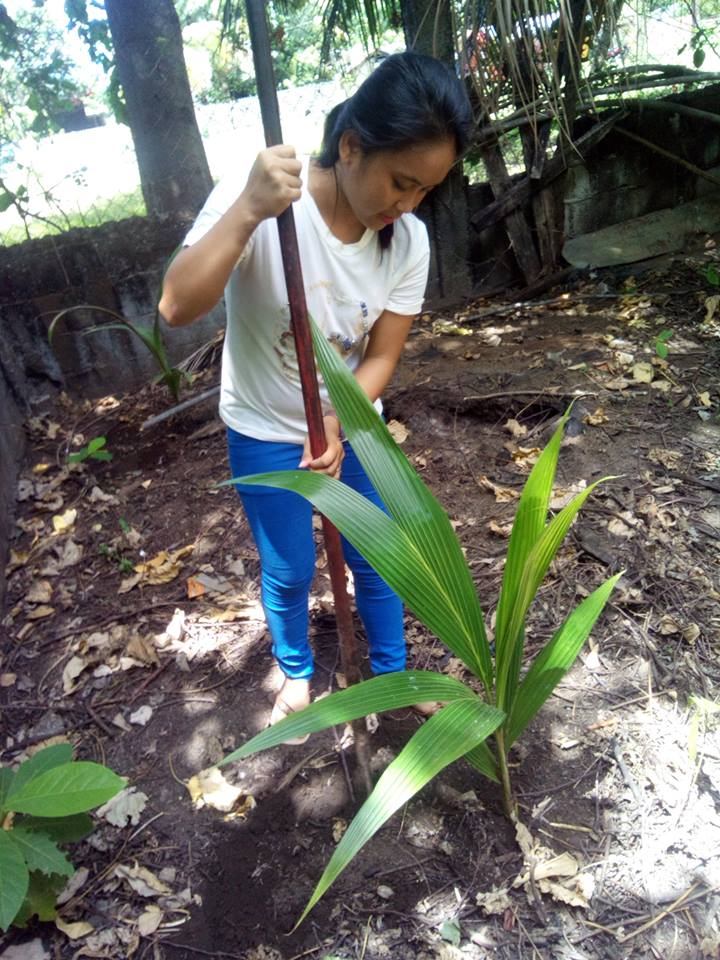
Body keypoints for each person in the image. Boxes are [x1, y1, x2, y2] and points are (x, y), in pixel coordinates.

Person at [159, 51, 473, 739]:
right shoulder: (270, 201)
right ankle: (296, 672)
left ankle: (392, 675)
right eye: (400, 181)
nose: (408, 204)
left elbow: (384, 354)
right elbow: (177, 305)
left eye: (425, 190)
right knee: (291, 565)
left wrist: (338, 419)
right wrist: (247, 209)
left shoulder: (407, 242)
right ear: (352, 145)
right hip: (261, 425)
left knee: (380, 554)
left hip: (352, 424)